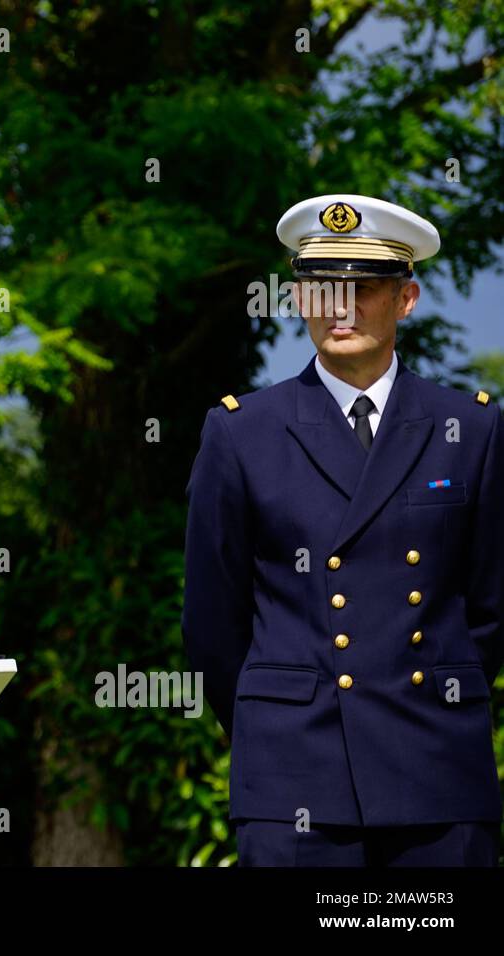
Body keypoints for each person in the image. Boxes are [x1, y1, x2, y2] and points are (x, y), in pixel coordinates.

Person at [182, 194, 503, 866]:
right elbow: (213, 625)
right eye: (322, 290)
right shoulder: (243, 433)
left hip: (436, 772)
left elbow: (491, 610)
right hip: (295, 778)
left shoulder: (471, 429)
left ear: (406, 298)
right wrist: (274, 721)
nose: (342, 310)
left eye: (364, 289)